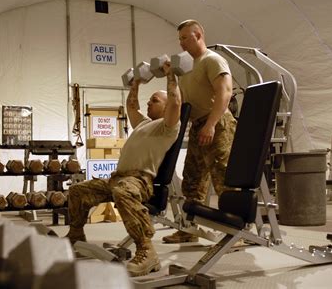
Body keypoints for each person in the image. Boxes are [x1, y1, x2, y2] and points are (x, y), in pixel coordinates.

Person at [65, 65, 182, 277]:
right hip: (117, 179)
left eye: (154, 100)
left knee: (123, 192)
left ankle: (147, 251)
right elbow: (131, 106)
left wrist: (170, 75)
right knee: (77, 190)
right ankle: (75, 236)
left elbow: (176, 102)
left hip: (138, 182)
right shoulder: (144, 124)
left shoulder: (167, 127)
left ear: (166, 107)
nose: (148, 102)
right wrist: (135, 84)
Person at [162, 19, 237, 244]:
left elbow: (225, 92)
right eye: (179, 39)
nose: (181, 43)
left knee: (224, 179)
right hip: (198, 126)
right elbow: (181, 100)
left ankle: (234, 232)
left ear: (198, 35)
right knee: (192, 180)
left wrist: (211, 124)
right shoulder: (187, 68)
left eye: (185, 38)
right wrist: (169, 75)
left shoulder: (212, 60)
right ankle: (189, 229)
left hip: (218, 123)